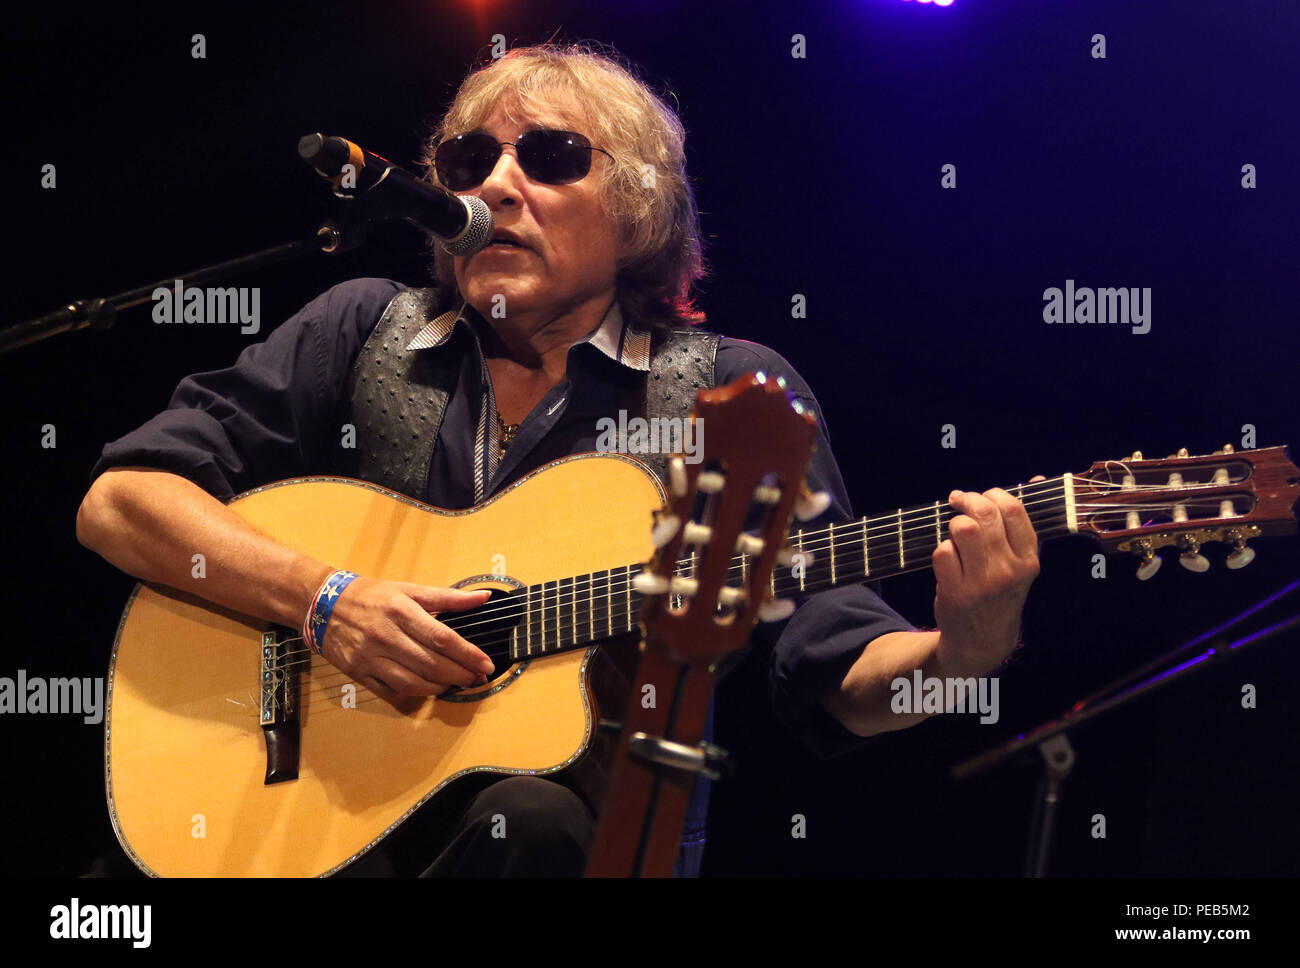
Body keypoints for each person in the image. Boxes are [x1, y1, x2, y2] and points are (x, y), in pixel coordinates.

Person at [76, 43, 1041, 876]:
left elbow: (839, 669)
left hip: (566, 848)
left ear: (638, 207)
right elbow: (120, 502)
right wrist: (324, 600)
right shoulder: (362, 328)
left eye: (548, 157)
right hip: (312, 812)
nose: (496, 186)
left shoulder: (729, 397)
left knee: (526, 825)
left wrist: (964, 653)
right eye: (468, 159)